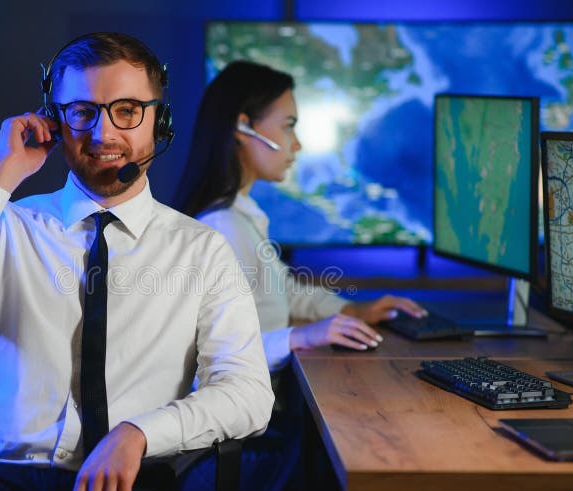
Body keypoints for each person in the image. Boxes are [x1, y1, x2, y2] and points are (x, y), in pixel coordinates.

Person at [0, 34, 273, 491]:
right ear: (55, 120)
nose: (103, 133)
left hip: (124, 484)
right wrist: (1, 175)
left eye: (127, 110)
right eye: (82, 112)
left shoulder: (201, 251)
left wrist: (137, 434)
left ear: (160, 120)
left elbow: (246, 394)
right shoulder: (3, 224)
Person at [175, 60, 427, 372]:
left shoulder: (240, 215)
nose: (296, 144)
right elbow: (215, 359)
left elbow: (282, 291)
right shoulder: (222, 226)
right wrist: (301, 336)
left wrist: (353, 310)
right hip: (241, 416)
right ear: (243, 128)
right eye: (288, 125)